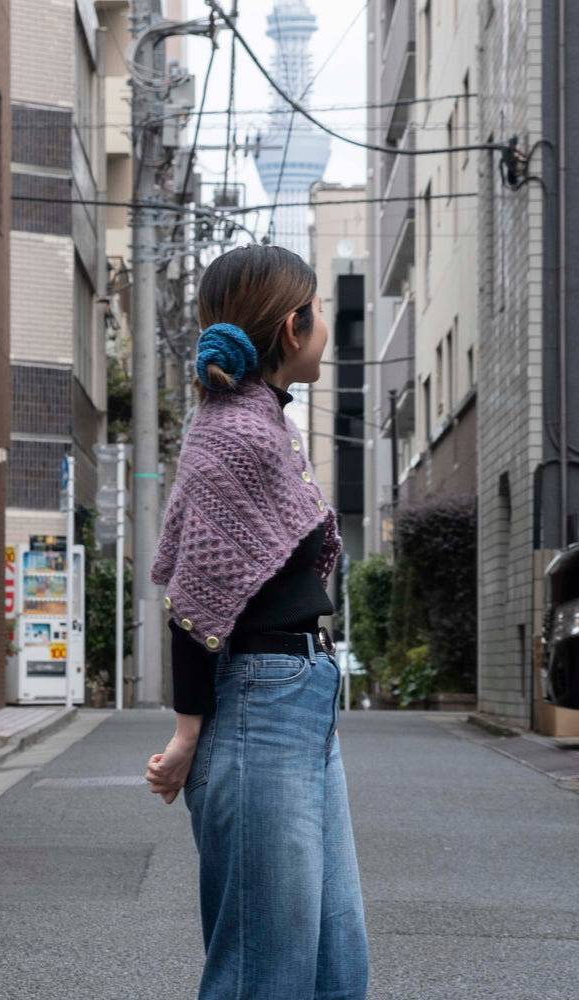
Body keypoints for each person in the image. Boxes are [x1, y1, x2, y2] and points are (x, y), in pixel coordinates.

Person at [145, 244, 370, 1000]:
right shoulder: (232, 434)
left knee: (338, 963)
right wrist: (187, 731)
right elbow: (192, 594)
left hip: (302, 701)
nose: (325, 325)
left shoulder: (262, 422)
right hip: (259, 706)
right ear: (291, 324)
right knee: (262, 972)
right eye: (319, 310)